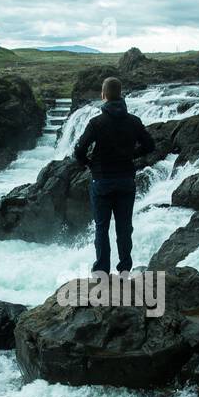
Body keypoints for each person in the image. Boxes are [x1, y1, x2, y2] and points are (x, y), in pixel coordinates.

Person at [73, 77, 155, 273]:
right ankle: (125, 269)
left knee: (101, 228)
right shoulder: (134, 121)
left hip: (102, 180)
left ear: (103, 95)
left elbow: (79, 150)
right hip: (126, 180)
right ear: (121, 95)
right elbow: (150, 146)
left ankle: (102, 271)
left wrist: (90, 164)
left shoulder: (96, 123)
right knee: (124, 228)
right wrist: (132, 155)